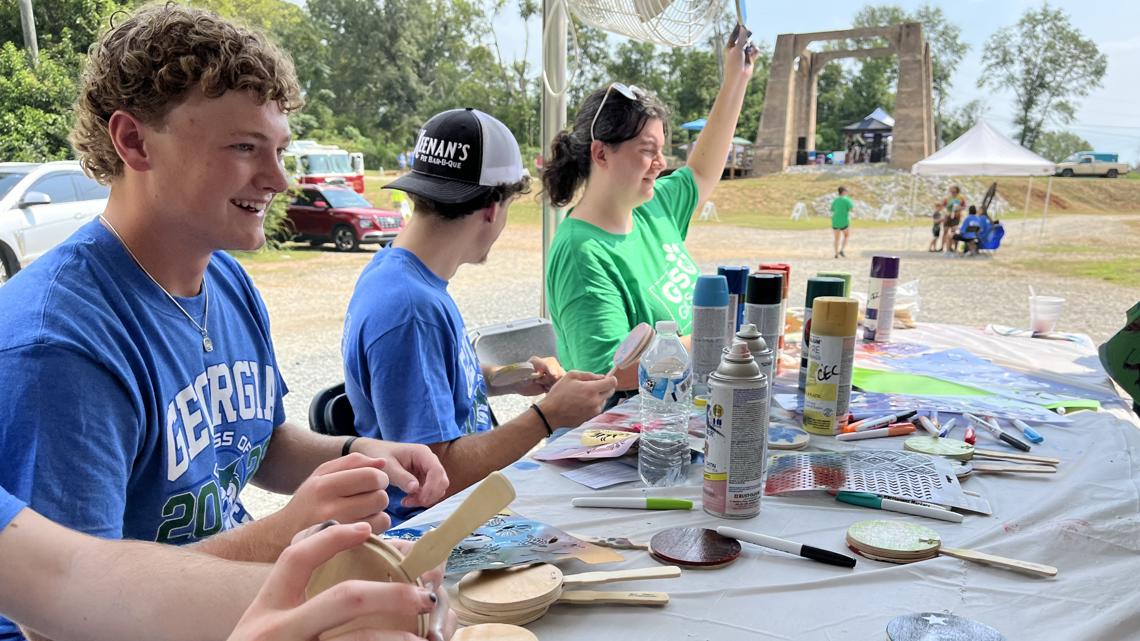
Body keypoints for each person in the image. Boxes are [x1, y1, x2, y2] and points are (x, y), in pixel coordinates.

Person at [0, 7, 449, 637]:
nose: (278, 179)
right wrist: (284, 537)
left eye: (280, 150)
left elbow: (254, 439)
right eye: (243, 147)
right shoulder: (59, 344)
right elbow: (67, 616)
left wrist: (356, 453)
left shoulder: (226, 277)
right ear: (133, 141)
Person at [342, 108, 616, 525]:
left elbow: (437, 382)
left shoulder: (398, 276)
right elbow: (438, 474)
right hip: (430, 533)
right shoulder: (413, 309)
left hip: (457, 516)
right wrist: (547, 417)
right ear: (492, 207)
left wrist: (510, 375)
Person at [542, 25, 759, 397]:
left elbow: (704, 169)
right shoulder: (582, 252)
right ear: (601, 153)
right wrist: (722, 340)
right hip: (627, 438)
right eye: (647, 150)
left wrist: (735, 79)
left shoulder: (653, 206)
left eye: (661, 149)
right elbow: (607, 373)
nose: (660, 163)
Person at [0, 479, 454, 641]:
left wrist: (343, 587)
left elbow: (67, 575)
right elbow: (48, 618)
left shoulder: (229, 284)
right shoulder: (54, 344)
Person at [939, 185, 966, 252]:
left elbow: (964, 207)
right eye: (951, 190)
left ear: (957, 191)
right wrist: (945, 213)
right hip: (948, 216)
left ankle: (953, 248)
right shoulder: (947, 198)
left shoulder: (961, 198)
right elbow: (942, 206)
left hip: (956, 217)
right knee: (945, 231)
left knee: (954, 232)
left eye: (954, 191)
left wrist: (959, 208)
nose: (952, 192)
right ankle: (942, 247)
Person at [830, 186, 853, 258]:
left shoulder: (835, 200)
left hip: (835, 220)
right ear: (843, 192)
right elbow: (851, 208)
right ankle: (842, 250)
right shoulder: (847, 200)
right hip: (844, 221)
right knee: (846, 235)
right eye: (846, 191)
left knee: (836, 238)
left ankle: (836, 253)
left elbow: (832, 209)